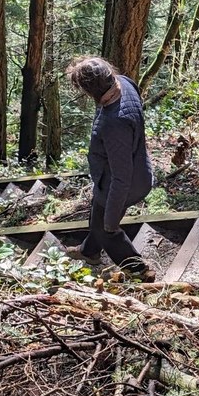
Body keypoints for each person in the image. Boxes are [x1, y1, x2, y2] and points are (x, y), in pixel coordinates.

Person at [66, 55, 155, 279]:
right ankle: (89, 251)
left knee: (105, 228)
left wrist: (112, 221)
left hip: (125, 183)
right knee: (97, 215)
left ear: (91, 92)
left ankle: (139, 270)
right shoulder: (124, 83)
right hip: (134, 170)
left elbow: (121, 177)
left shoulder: (114, 123)